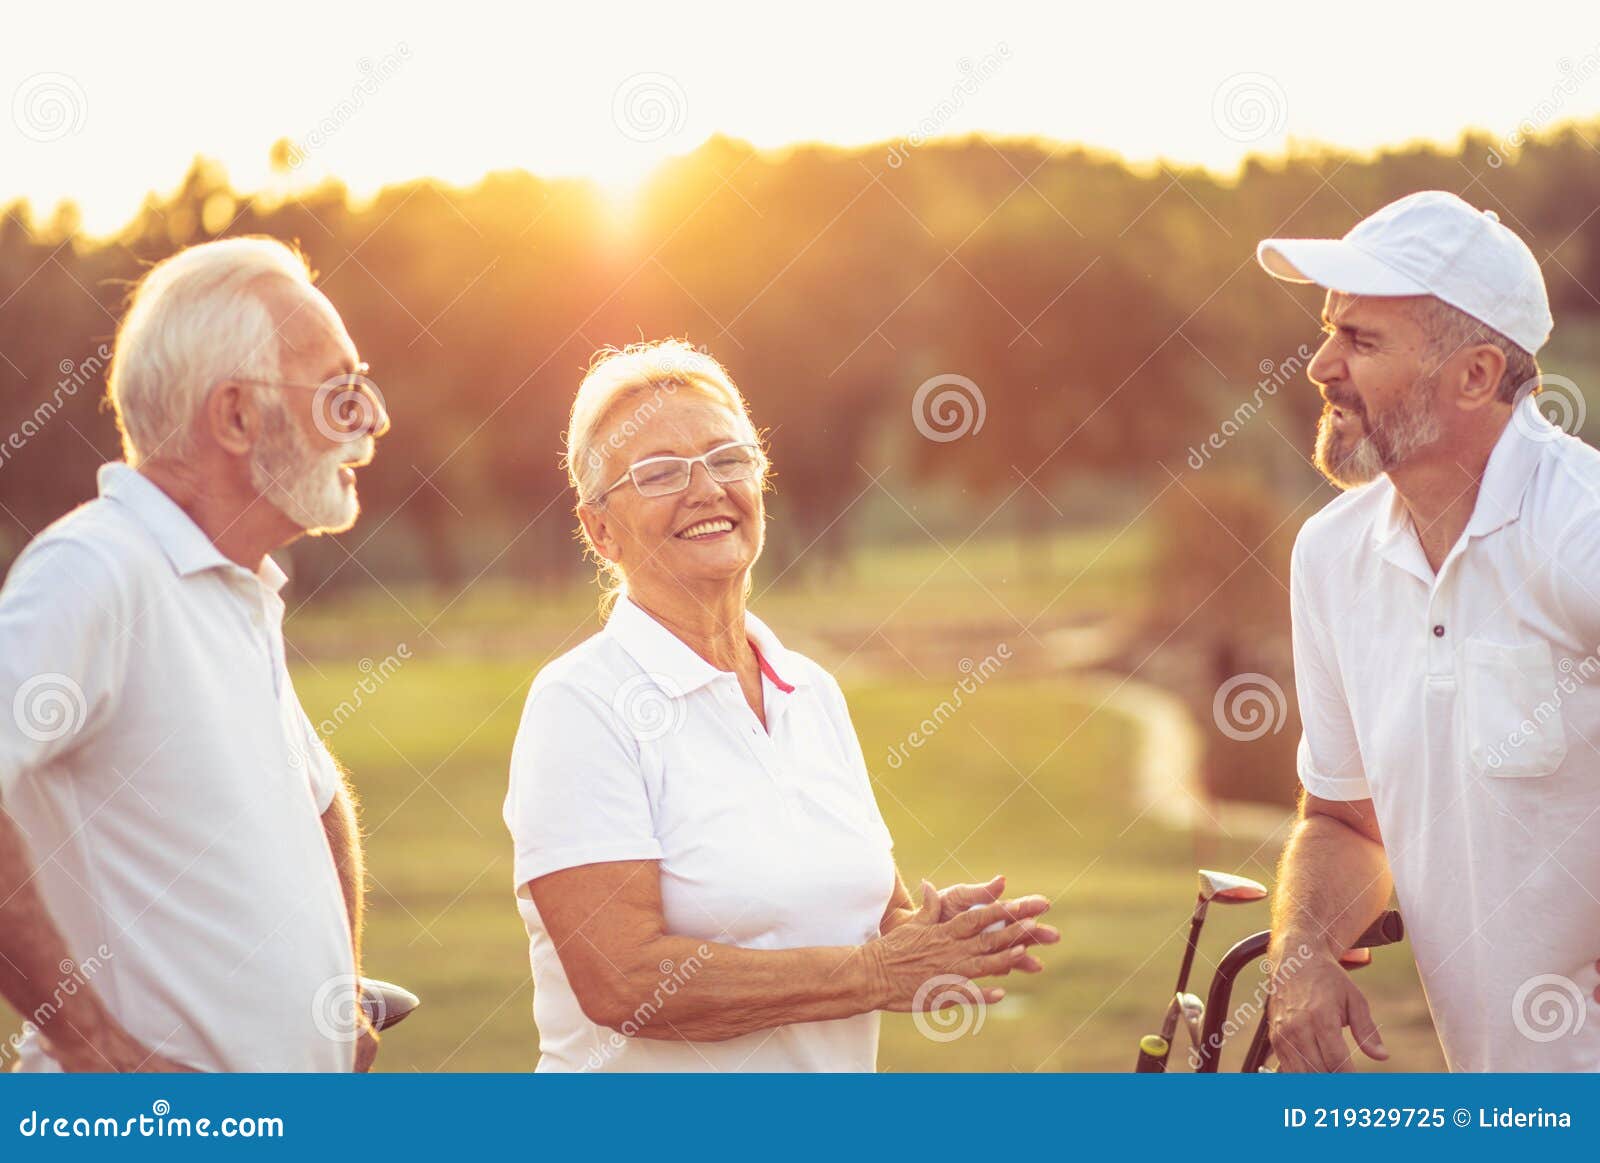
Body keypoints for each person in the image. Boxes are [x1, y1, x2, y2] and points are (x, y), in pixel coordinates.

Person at [502, 340, 1058, 1071]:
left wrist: (931, 934)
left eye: (728, 457)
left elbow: (865, 917)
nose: (705, 488)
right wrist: (880, 972)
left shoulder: (811, 691)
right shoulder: (580, 705)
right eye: (661, 471)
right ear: (600, 528)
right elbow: (625, 980)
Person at [0, 237, 390, 1071]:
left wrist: (340, 996)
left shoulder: (236, 583)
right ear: (237, 415)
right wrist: (93, 1044)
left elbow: (317, 799)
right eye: (339, 393)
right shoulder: (97, 567)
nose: (373, 420)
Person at [1256, 190, 1600, 1071]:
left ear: (1477, 375)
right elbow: (1347, 820)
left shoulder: (1582, 529)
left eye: (1362, 341)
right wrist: (1302, 950)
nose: (1320, 364)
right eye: (1331, 329)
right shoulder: (1331, 557)